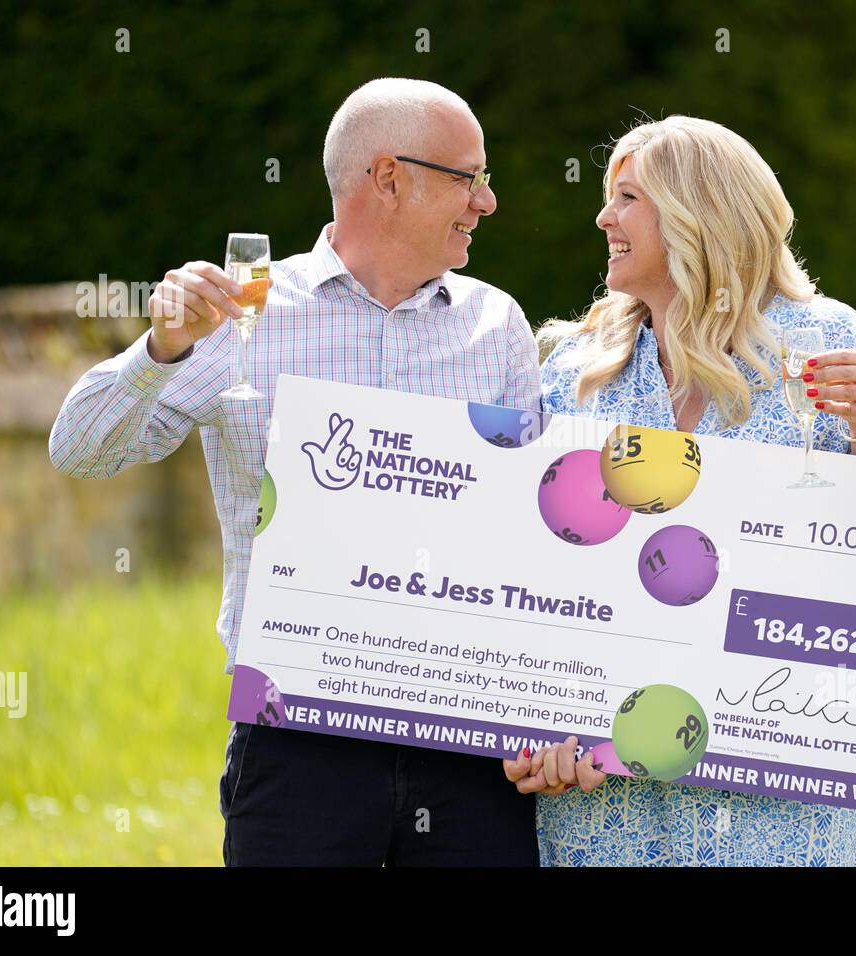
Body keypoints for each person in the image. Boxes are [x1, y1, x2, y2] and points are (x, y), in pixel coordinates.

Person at [49, 78, 541, 866]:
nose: (485, 202)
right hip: (299, 741)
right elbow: (80, 449)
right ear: (387, 178)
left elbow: (534, 530)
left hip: (467, 741)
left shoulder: (496, 325)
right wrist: (162, 350)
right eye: (469, 177)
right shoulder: (237, 314)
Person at [502, 115, 856, 866]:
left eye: (627, 198)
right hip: (607, 810)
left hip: (773, 803)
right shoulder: (575, 368)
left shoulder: (830, 348)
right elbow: (527, 572)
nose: (601, 215)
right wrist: (531, 732)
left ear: (697, 214)